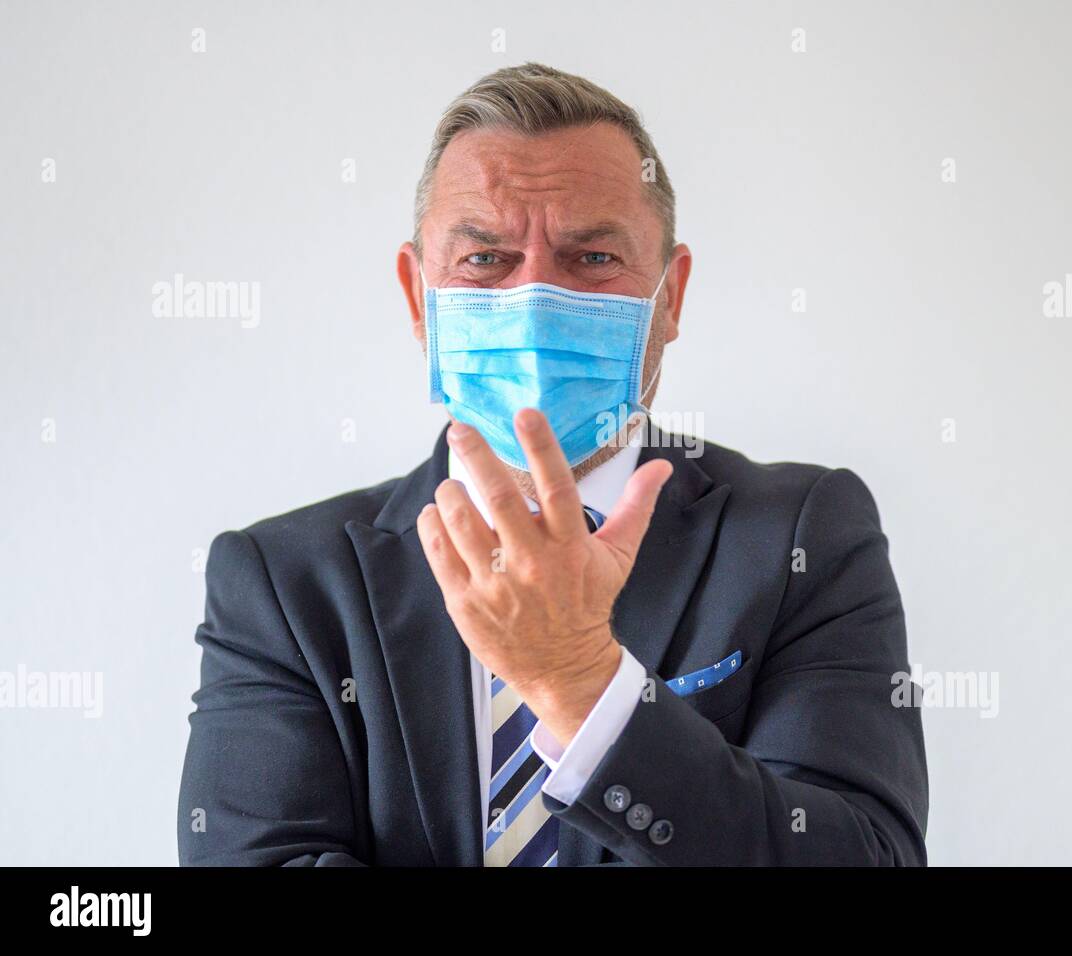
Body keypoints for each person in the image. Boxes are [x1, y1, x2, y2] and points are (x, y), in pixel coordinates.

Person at [177, 62, 928, 866]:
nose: (535, 296)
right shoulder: (284, 582)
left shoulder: (801, 537)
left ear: (669, 299)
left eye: (593, 258)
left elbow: (863, 855)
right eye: (486, 261)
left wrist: (581, 685)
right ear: (417, 297)